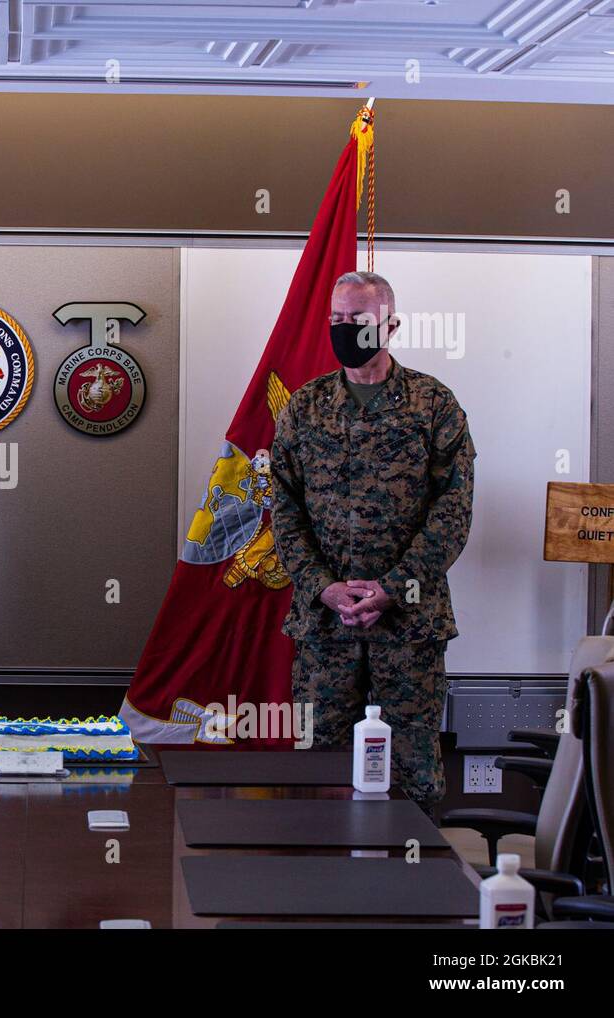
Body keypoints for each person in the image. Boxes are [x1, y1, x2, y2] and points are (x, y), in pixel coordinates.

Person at [270, 271, 475, 812]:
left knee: (414, 774)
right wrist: (325, 588)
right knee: (318, 773)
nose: (344, 329)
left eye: (357, 320)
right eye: (336, 319)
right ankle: (321, 890)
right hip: (325, 627)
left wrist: (392, 588)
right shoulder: (304, 407)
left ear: (391, 324)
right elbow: (284, 512)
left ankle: (417, 887)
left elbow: (453, 511)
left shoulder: (434, 405)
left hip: (409, 626)